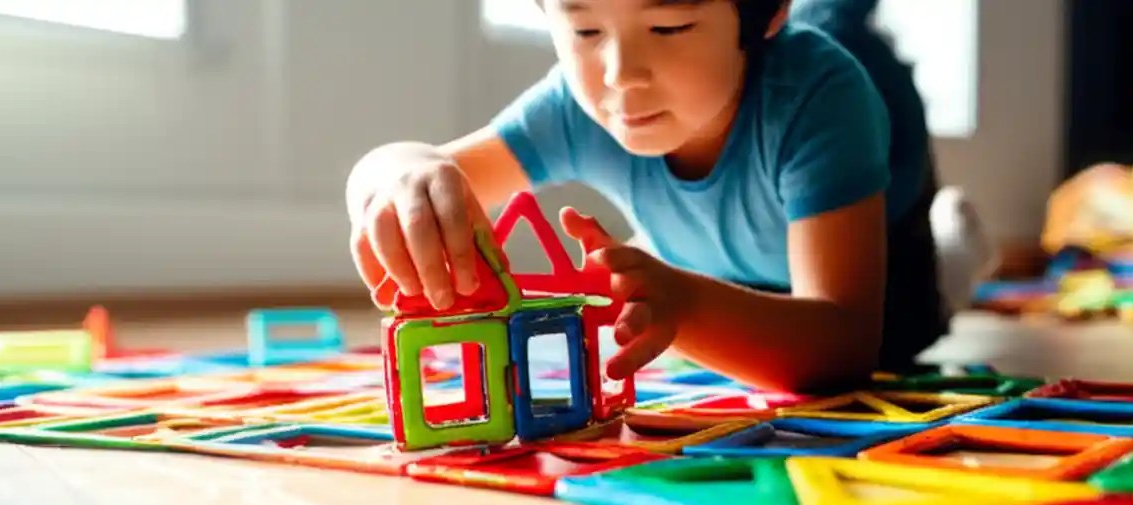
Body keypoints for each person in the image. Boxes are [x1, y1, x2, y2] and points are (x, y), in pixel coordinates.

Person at [347, 0, 952, 391]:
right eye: (584, 29)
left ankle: (957, 247)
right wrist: (401, 172)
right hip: (709, 258)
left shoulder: (821, 96)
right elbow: (413, 170)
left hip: (880, 248)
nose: (621, 73)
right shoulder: (574, 106)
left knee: (910, 329)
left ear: (763, 15)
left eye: (670, 27)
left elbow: (842, 348)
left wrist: (682, 306)